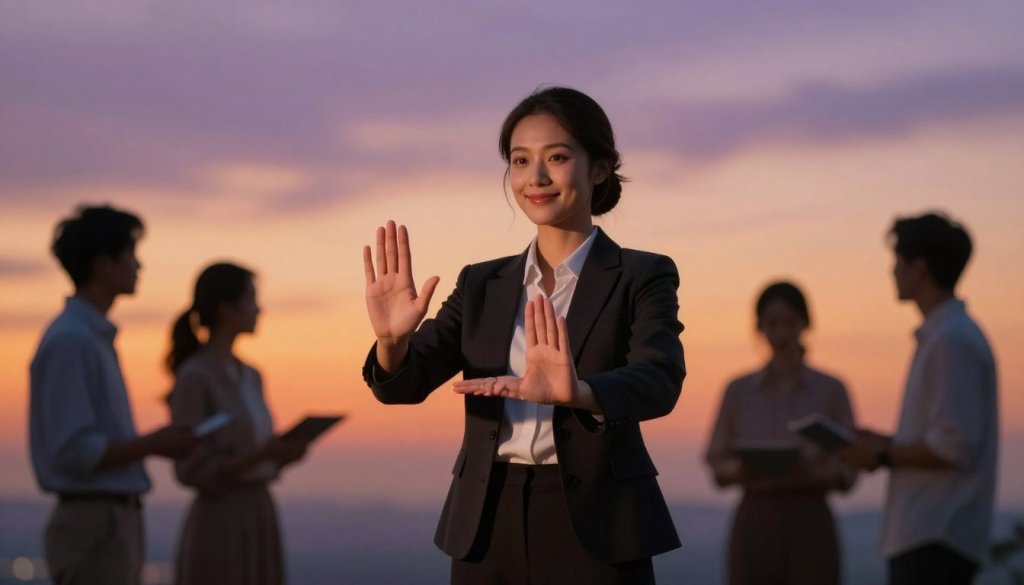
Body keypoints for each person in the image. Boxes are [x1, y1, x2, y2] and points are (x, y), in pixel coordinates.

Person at [360, 86, 685, 584]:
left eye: (556, 157)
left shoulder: (641, 275)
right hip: (487, 518)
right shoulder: (481, 283)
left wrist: (579, 393)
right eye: (519, 160)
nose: (535, 178)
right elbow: (404, 386)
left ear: (599, 168)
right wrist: (392, 341)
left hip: (598, 519)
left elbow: (659, 378)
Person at [29, 204, 198, 585]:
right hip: (94, 525)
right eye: (131, 255)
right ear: (104, 264)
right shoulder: (73, 341)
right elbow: (73, 452)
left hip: (109, 520)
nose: (139, 266)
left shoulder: (91, 338)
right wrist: (152, 444)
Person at [842, 212, 998, 585]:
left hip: (936, 534)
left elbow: (953, 446)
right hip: (931, 534)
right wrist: (884, 443)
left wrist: (881, 454)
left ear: (920, 267)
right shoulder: (946, 336)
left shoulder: (951, 341)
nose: (891, 272)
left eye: (897, 261)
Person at [705, 281, 857, 585]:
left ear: (805, 324)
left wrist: (815, 473)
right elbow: (716, 460)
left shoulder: (831, 390)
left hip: (810, 519)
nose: (781, 334)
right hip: (755, 516)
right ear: (759, 326)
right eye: (773, 323)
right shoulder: (738, 391)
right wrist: (741, 470)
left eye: (789, 323)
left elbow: (850, 464)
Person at [167, 262, 308, 585]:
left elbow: (257, 450)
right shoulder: (195, 376)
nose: (259, 309)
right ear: (226, 308)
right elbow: (190, 468)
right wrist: (262, 456)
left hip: (259, 510)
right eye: (251, 299)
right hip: (221, 519)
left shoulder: (251, 375)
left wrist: (279, 456)